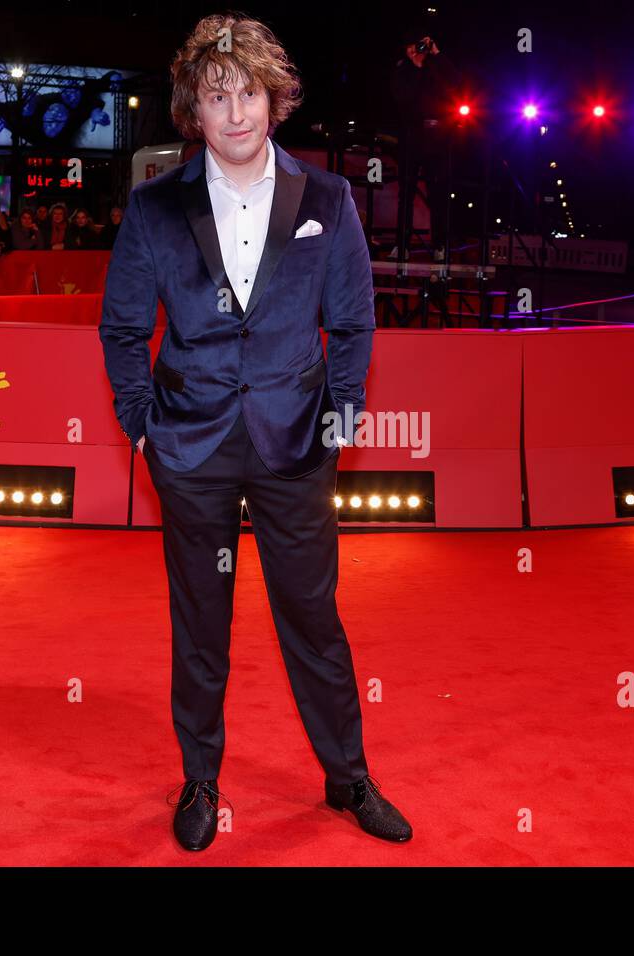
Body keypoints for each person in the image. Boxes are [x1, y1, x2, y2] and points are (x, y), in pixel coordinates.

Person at [98, 11, 408, 853]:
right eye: (216, 96)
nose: (235, 112)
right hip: (188, 447)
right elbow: (123, 328)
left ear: (276, 101)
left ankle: (347, 778)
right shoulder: (157, 208)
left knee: (313, 616)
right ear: (192, 113)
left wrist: (339, 419)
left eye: (249, 94)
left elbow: (352, 324)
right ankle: (201, 778)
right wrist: (140, 426)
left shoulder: (330, 198)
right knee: (200, 621)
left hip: (295, 444)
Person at [389, 23, 462, 261]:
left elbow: (455, 82)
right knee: (407, 192)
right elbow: (405, 101)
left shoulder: (436, 69)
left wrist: (436, 53)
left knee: (438, 192)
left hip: (438, 138)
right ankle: (402, 244)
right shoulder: (402, 72)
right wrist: (418, 69)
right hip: (412, 137)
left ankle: (440, 244)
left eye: (418, 46)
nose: (413, 51)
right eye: (410, 47)